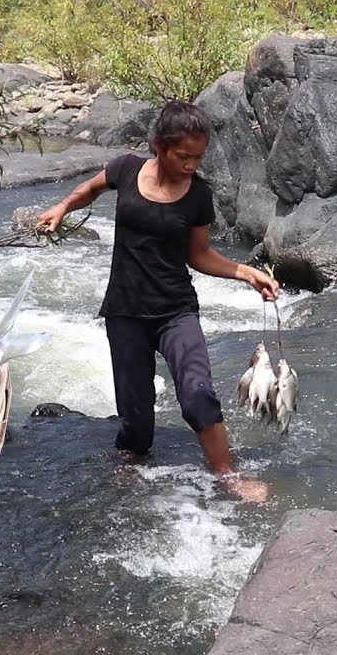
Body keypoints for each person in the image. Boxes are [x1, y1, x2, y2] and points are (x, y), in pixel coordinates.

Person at [35, 101, 278, 501]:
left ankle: (227, 475)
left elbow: (198, 255)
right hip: (125, 312)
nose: (191, 165)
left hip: (175, 310)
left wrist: (246, 273)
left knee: (197, 393)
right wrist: (61, 207)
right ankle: (130, 465)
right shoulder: (125, 169)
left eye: (198, 157)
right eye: (183, 156)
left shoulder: (198, 195)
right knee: (137, 419)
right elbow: (90, 189)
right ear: (159, 146)